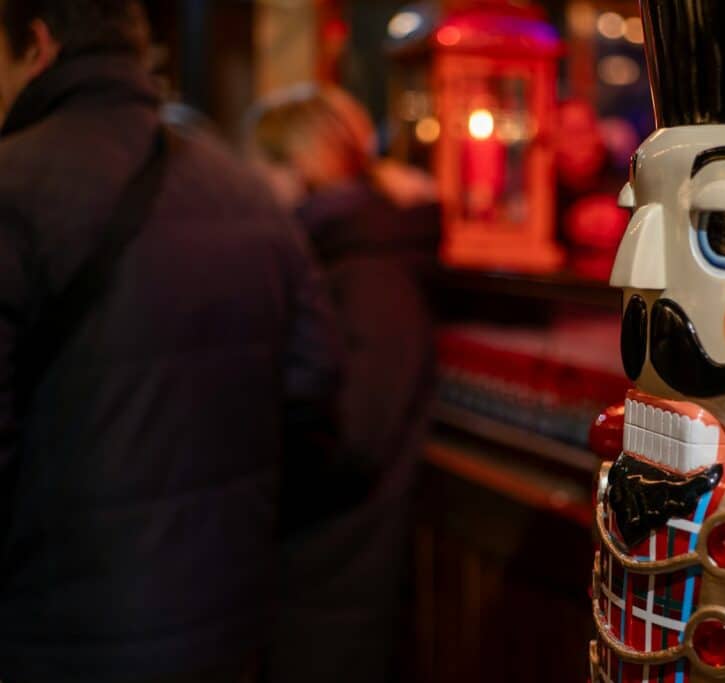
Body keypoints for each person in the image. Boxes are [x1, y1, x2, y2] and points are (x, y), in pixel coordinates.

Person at [0, 2, 340, 682]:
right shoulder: (249, 196)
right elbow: (314, 386)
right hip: (226, 624)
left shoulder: (13, 186)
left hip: (54, 635)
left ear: (36, 45)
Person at [245, 84, 439, 683]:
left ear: (298, 168)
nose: (254, 189)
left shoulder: (366, 269)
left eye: (262, 170)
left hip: (334, 573)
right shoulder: (333, 254)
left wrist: (260, 465)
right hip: (318, 567)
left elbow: (356, 437)